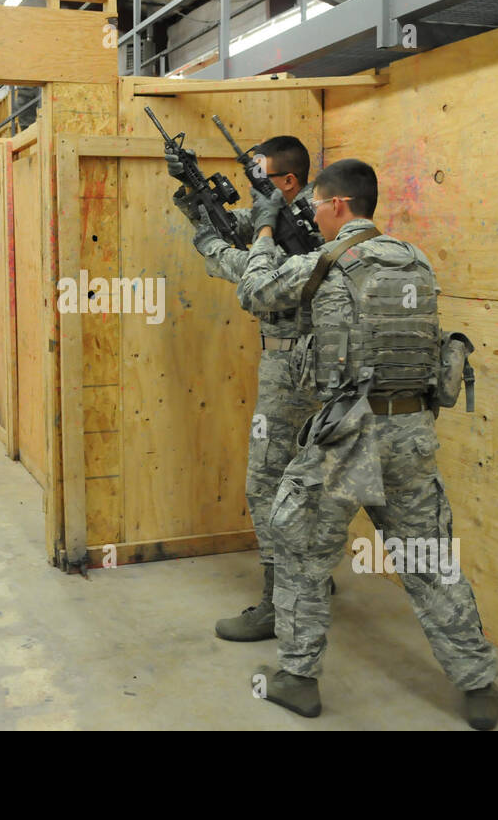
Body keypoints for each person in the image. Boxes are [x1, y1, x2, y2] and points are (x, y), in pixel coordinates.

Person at [237, 158, 498, 729]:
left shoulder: (327, 261)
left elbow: (255, 292)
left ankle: (299, 678)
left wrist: (262, 228)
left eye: (315, 207)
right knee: (429, 561)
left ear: (337, 206)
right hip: (410, 433)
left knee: (303, 553)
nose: (312, 215)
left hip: (347, 436)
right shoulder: (416, 260)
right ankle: (479, 685)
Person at [166, 137, 331, 641]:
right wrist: (194, 192)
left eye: (258, 176)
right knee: (315, 481)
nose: (250, 185)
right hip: (330, 369)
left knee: (266, 484)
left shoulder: (314, 225)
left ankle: (278, 606)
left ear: (287, 181)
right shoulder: (297, 213)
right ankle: (308, 583)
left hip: (294, 371)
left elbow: (252, 273)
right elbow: (230, 224)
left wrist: (213, 248)